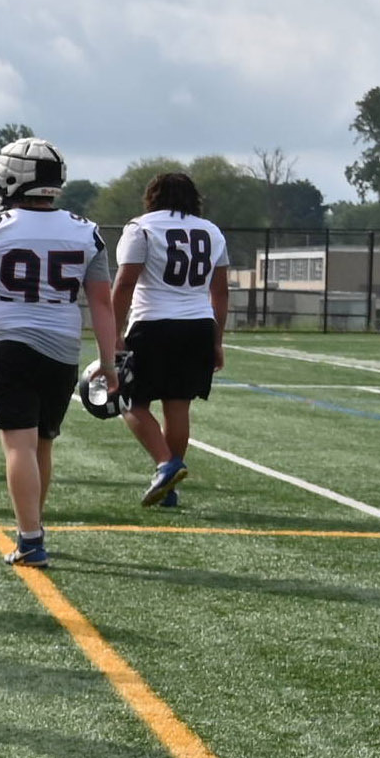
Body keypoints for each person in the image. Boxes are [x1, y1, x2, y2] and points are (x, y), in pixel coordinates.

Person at [0, 137, 118, 570]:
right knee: (43, 442)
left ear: (12, 177)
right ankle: (35, 527)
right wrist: (109, 360)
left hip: (11, 343)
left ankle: (30, 539)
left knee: (18, 447)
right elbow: (102, 304)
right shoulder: (87, 231)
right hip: (63, 348)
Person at [112, 170, 229, 506]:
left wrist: (115, 333)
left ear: (152, 197)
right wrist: (217, 340)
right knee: (178, 406)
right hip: (198, 326)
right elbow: (219, 293)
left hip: (153, 323)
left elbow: (124, 285)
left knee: (129, 401)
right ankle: (169, 488)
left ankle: (167, 465)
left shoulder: (142, 228)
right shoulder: (212, 232)